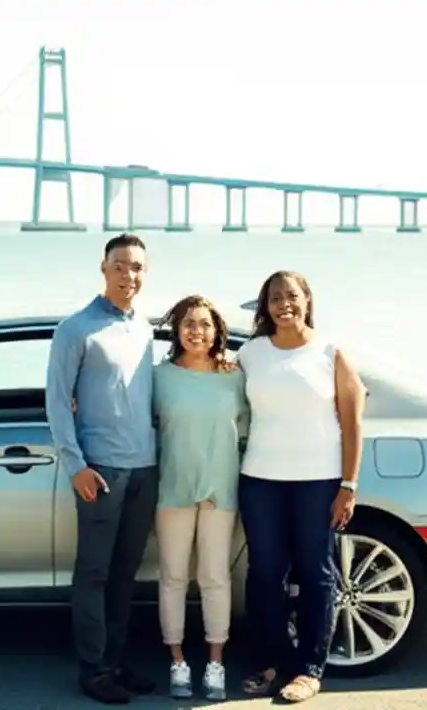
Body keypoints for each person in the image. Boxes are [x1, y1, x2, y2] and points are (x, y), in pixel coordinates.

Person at [236, 270, 366, 704]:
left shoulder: (330, 351)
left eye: (291, 296)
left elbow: (353, 423)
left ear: (307, 300)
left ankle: (310, 670)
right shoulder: (251, 354)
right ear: (265, 305)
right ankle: (273, 662)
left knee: (315, 573)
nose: (283, 305)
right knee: (264, 575)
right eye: (275, 298)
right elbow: (216, 394)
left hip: (318, 480)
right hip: (260, 480)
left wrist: (348, 484)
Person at [46, 233, 159, 705]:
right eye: (120, 265)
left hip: (145, 469)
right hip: (100, 471)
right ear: (104, 268)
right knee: (93, 573)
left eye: (137, 267)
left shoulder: (145, 328)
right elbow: (56, 401)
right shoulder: (76, 329)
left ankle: (115, 661)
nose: (128, 275)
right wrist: (75, 464)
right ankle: (93, 670)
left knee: (124, 574)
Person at [151, 295, 248, 701]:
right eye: (189, 323)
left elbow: (248, 428)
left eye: (205, 324)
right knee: (173, 577)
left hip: (219, 492)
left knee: (215, 577)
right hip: (172, 490)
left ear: (217, 330)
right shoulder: (159, 377)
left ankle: (215, 663)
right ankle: (176, 661)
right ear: (177, 329)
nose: (197, 331)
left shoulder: (234, 377)